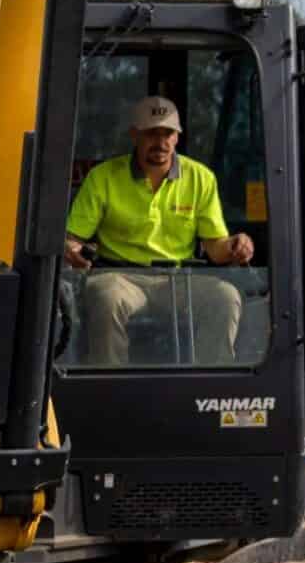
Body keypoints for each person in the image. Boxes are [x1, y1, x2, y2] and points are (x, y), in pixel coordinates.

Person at [63, 95, 254, 366]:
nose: (161, 142)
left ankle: (209, 389)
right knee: (106, 297)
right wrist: (70, 248)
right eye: (152, 133)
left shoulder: (201, 178)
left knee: (225, 297)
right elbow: (73, 238)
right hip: (120, 276)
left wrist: (236, 245)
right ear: (135, 135)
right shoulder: (103, 178)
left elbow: (216, 248)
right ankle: (111, 390)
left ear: (177, 136)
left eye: (168, 133)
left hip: (178, 280)